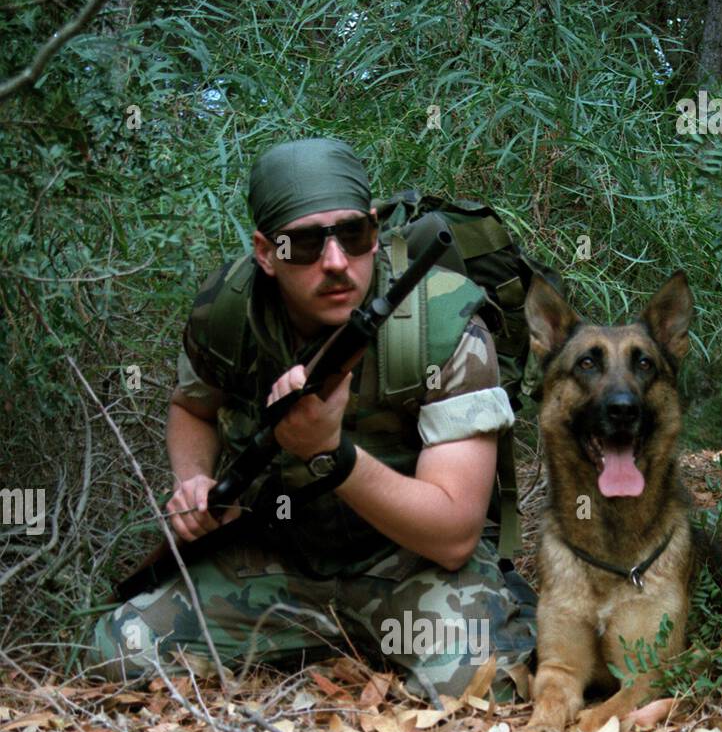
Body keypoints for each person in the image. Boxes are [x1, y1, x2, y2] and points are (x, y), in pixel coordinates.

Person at [90, 138, 536, 701]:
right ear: (265, 252)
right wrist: (194, 482)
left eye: (353, 236)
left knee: (484, 684)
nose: (335, 263)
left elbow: (453, 536)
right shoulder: (228, 313)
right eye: (303, 244)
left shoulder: (444, 322)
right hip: (282, 560)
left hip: (410, 565)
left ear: (374, 230)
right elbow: (191, 406)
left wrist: (331, 456)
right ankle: (319, 640)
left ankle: (360, 640)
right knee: (118, 652)